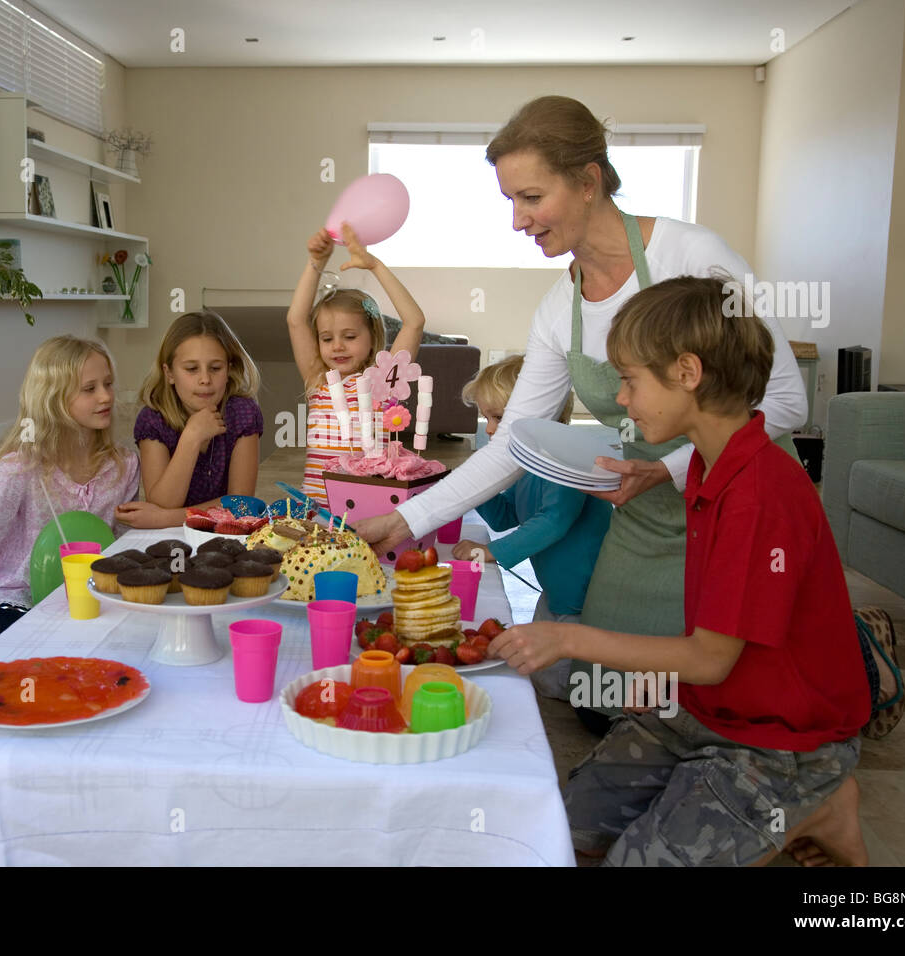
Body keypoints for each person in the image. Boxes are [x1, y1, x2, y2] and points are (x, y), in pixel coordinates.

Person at [355, 95, 808, 732]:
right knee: (601, 700)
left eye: (532, 198)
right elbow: (513, 443)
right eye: (510, 201)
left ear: (589, 182)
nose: (518, 220)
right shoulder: (556, 309)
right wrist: (405, 522)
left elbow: (787, 399)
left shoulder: (694, 257)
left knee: (731, 700)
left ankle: (846, 673)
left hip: (736, 501)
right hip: (643, 513)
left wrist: (669, 469)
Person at [490, 275, 870, 866]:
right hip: (702, 708)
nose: (621, 398)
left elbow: (713, 656)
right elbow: (715, 639)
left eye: (630, 380)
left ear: (687, 373)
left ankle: (819, 798)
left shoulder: (761, 493)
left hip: (777, 738)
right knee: (556, 834)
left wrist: (567, 636)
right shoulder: (706, 466)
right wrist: (672, 685)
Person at [0, 336, 140, 643]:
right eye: (89, 389)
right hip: (16, 599)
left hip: (92, 597)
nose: (106, 396)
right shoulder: (19, 468)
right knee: (22, 671)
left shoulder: (124, 465)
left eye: (108, 384)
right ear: (53, 398)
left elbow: (119, 543)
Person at [451, 355, 612, 699]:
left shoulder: (564, 459)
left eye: (498, 418)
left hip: (583, 592)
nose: (490, 429)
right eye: (487, 418)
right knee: (538, 674)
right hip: (556, 588)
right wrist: (476, 485)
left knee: (559, 685)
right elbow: (507, 515)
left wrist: (492, 551)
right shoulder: (530, 462)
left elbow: (553, 521)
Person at [289, 222, 427, 504]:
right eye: (327, 339)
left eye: (349, 336)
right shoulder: (319, 380)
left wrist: (375, 266)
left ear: (371, 336)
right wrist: (316, 262)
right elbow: (295, 321)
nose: (337, 345)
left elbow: (414, 322)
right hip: (317, 507)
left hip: (368, 507)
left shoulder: (384, 383)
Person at [117, 311, 262, 528]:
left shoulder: (242, 414)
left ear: (229, 369)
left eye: (215, 368)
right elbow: (163, 503)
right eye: (191, 369)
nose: (205, 379)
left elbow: (242, 506)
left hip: (224, 537)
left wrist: (166, 518)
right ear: (169, 373)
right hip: (168, 542)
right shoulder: (152, 421)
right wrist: (191, 438)